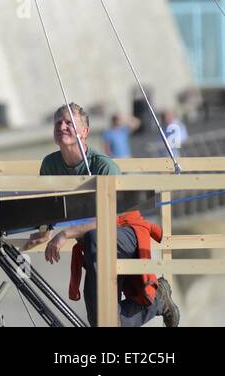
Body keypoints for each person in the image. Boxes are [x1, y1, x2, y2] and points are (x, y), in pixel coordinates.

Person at [30, 103, 180, 327]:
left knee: (95, 237)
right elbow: (46, 207)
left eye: (70, 122)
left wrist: (65, 234)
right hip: (94, 243)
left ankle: (156, 301)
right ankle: (156, 302)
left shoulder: (103, 166)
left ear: (85, 132)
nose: (62, 126)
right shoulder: (50, 164)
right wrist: (43, 231)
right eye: (58, 122)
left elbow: (112, 218)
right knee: (103, 323)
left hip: (125, 231)